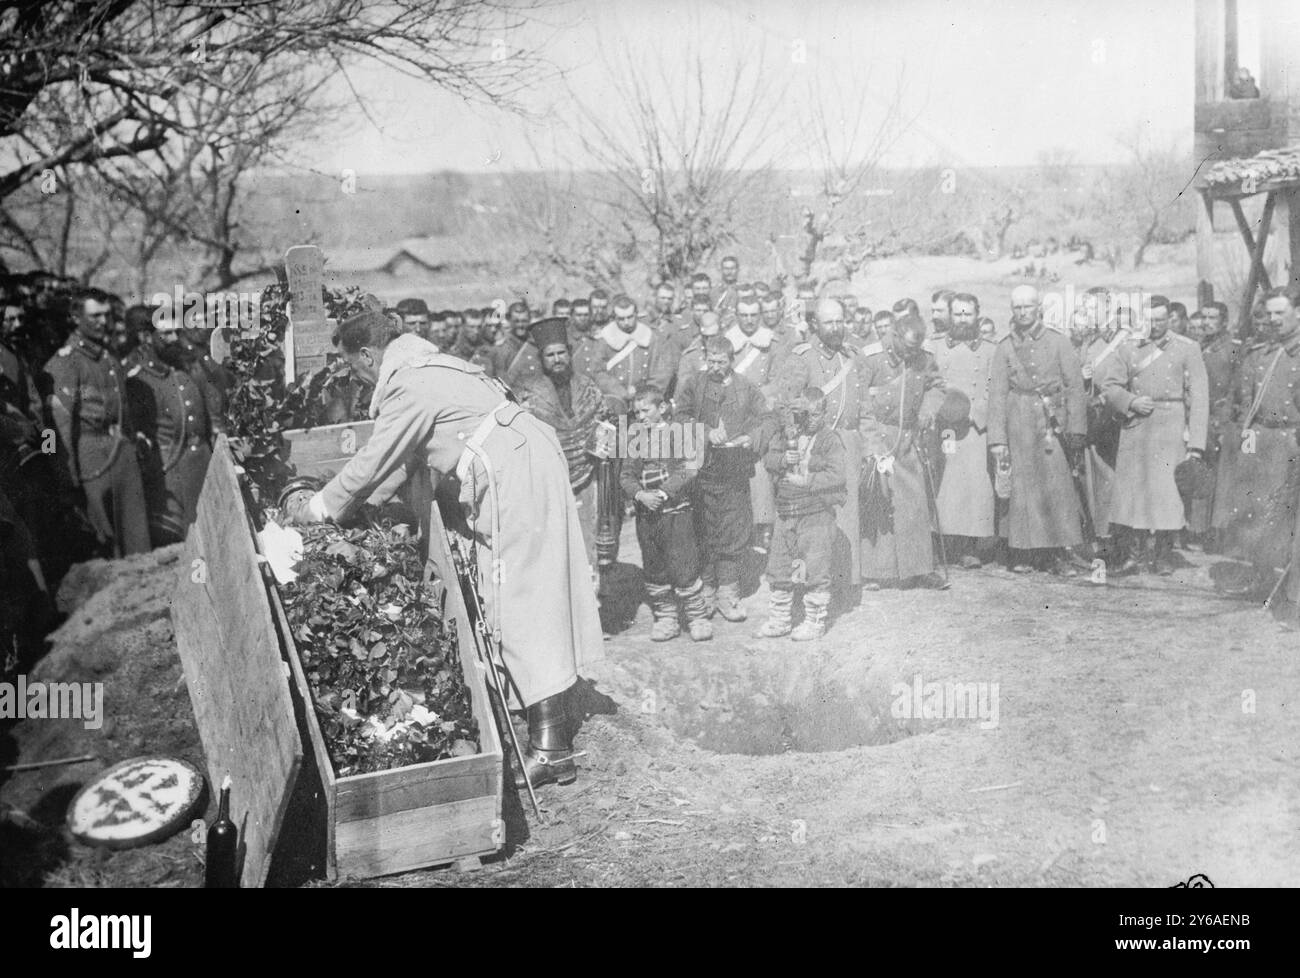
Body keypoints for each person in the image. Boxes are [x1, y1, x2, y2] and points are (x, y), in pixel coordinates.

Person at [281, 310, 603, 789]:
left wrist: (319, 508)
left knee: (520, 598)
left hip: (514, 471)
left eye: (353, 368)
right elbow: (399, 464)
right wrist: (358, 508)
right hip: (526, 457)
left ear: (368, 354)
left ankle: (551, 749)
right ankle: (548, 732)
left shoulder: (408, 383)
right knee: (528, 593)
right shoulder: (435, 368)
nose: (356, 378)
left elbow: (373, 460)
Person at [1096, 295, 1209, 574]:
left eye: (1160, 319)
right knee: (1132, 492)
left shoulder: (1187, 348)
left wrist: (1196, 444)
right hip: (1137, 427)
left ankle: (1162, 555)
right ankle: (1131, 555)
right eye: (1149, 320)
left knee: (1167, 493)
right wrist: (1131, 402)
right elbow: (1109, 386)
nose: (1155, 325)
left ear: (1170, 318)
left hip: (1170, 426)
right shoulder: (1128, 347)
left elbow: (1200, 397)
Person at [986, 285, 1087, 575]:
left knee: (1056, 486)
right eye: (1017, 308)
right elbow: (997, 394)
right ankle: (1023, 551)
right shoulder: (1005, 347)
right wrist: (997, 439)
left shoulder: (1059, 342)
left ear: (1038, 308)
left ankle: (1058, 553)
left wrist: (1076, 428)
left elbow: (1075, 387)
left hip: (1049, 421)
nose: (1022, 313)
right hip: (1017, 423)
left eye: (1027, 307)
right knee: (1022, 490)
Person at [45, 288, 150, 558]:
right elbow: (54, 427)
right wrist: (64, 478)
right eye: (94, 316)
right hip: (90, 458)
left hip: (121, 452)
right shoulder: (65, 363)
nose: (103, 322)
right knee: (105, 549)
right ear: (75, 317)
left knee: (137, 543)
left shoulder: (108, 357)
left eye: (106, 316)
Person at [675, 335, 772, 620]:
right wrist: (704, 432)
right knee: (703, 530)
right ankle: (707, 591)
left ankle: (728, 593)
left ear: (732, 360)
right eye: (711, 361)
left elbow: (769, 418)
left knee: (734, 530)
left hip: (734, 472)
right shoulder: (694, 384)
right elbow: (678, 419)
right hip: (701, 472)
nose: (716, 367)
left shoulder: (745, 387)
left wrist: (750, 438)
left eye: (721, 362)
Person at [1212, 286, 1300, 594]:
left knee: (1286, 513)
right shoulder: (1260, 353)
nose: (1274, 320)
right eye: (1270, 313)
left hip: (1291, 441)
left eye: (1281, 313)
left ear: (1297, 313)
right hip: (1259, 440)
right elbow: (1246, 406)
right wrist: (1245, 451)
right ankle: (1262, 578)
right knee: (1256, 510)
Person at [512, 317, 616, 571]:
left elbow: (606, 421)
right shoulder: (526, 392)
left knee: (586, 543)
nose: (557, 359)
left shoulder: (587, 386)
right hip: (545, 484)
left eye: (561, 353)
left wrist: (600, 446)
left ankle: (592, 602)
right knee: (552, 549)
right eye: (550, 355)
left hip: (585, 478)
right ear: (541, 358)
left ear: (569, 354)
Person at [775, 298, 863, 597]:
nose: (836, 328)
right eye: (829, 322)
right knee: (813, 519)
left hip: (846, 446)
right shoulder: (801, 357)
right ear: (815, 325)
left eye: (840, 321)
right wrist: (793, 446)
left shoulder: (849, 355)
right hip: (813, 448)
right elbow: (786, 404)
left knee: (845, 515)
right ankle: (808, 584)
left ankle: (844, 581)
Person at [857, 313, 948, 588]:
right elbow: (860, 404)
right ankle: (877, 573)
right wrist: (872, 446)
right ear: (895, 335)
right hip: (878, 439)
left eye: (916, 349)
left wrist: (927, 411)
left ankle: (919, 569)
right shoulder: (870, 357)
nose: (912, 354)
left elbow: (937, 387)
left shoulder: (924, 356)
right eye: (908, 348)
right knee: (880, 503)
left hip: (908, 440)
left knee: (914, 503)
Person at [620, 384, 712, 642]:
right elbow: (626, 475)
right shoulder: (635, 438)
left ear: (661, 408)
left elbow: (689, 469)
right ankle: (667, 618)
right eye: (636, 413)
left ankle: (696, 616)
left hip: (675, 512)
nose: (641, 417)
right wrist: (639, 495)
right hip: (647, 517)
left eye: (645, 411)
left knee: (683, 563)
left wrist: (662, 493)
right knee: (655, 565)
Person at [756, 387, 847, 641]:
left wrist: (807, 480)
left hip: (816, 513)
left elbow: (838, 475)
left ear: (824, 413)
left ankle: (815, 622)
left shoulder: (830, 439)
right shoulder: (786, 435)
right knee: (779, 566)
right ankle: (780, 620)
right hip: (786, 511)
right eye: (803, 415)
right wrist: (784, 458)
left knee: (816, 569)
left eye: (815, 414)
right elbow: (768, 460)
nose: (809, 420)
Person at [119, 306, 214, 545]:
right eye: (167, 333)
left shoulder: (187, 366)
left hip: (202, 461)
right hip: (171, 468)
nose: (174, 339)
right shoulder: (138, 378)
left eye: (176, 332)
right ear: (146, 337)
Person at [931, 293, 997, 567]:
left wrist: (972, 413)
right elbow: (929, 383)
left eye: (967, 314)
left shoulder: (990, 350)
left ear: (977, 315)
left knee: (973, 486)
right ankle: (943, 546)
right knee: (945, 484)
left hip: (973, 428)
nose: (961, 319)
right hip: (944, 428)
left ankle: (970, 547)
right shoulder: (935, 347)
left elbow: (995, 389)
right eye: (957, 313)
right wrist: (942, 410)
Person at [728, 297, 780, 551]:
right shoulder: (728, 343)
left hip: (761, 415)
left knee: (760, 470)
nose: (749, 320)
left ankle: (763, 528)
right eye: (743, 314)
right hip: (732, 416)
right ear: (735, 315)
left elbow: (779, 378)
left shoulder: (771, 343)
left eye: (753, 315)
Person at [1195, 300, 1239, 547]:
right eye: (1205, 317)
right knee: (1204, 474)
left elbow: (1236, 388)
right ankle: (1201, 530)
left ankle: (1220, 534)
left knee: (1223, 479)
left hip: (1222, 419)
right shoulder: (1199, 346)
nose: (1207, 322)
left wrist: (1223, 423)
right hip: (1202, 416)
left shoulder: (1233, 348)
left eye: (1213, 318)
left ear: (1224, 322)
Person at [590, 295, 675, 402]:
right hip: (616, 401)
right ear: (614, 318)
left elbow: (661, 372)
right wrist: (620, 392)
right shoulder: (605, 339)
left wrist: (645, 395)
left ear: (636, 315)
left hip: (645, 401)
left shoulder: (650, 337)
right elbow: (597, 372)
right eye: (621, 319)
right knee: (622, 419)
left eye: (630, 317)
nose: (626, 322)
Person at [489, 300, 530, 380]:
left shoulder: (534, 344)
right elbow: (501, 381)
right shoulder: (500, 349)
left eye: (524, 321)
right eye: (516, 321)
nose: (520, 325)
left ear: (529, 320)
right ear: (510, 321)